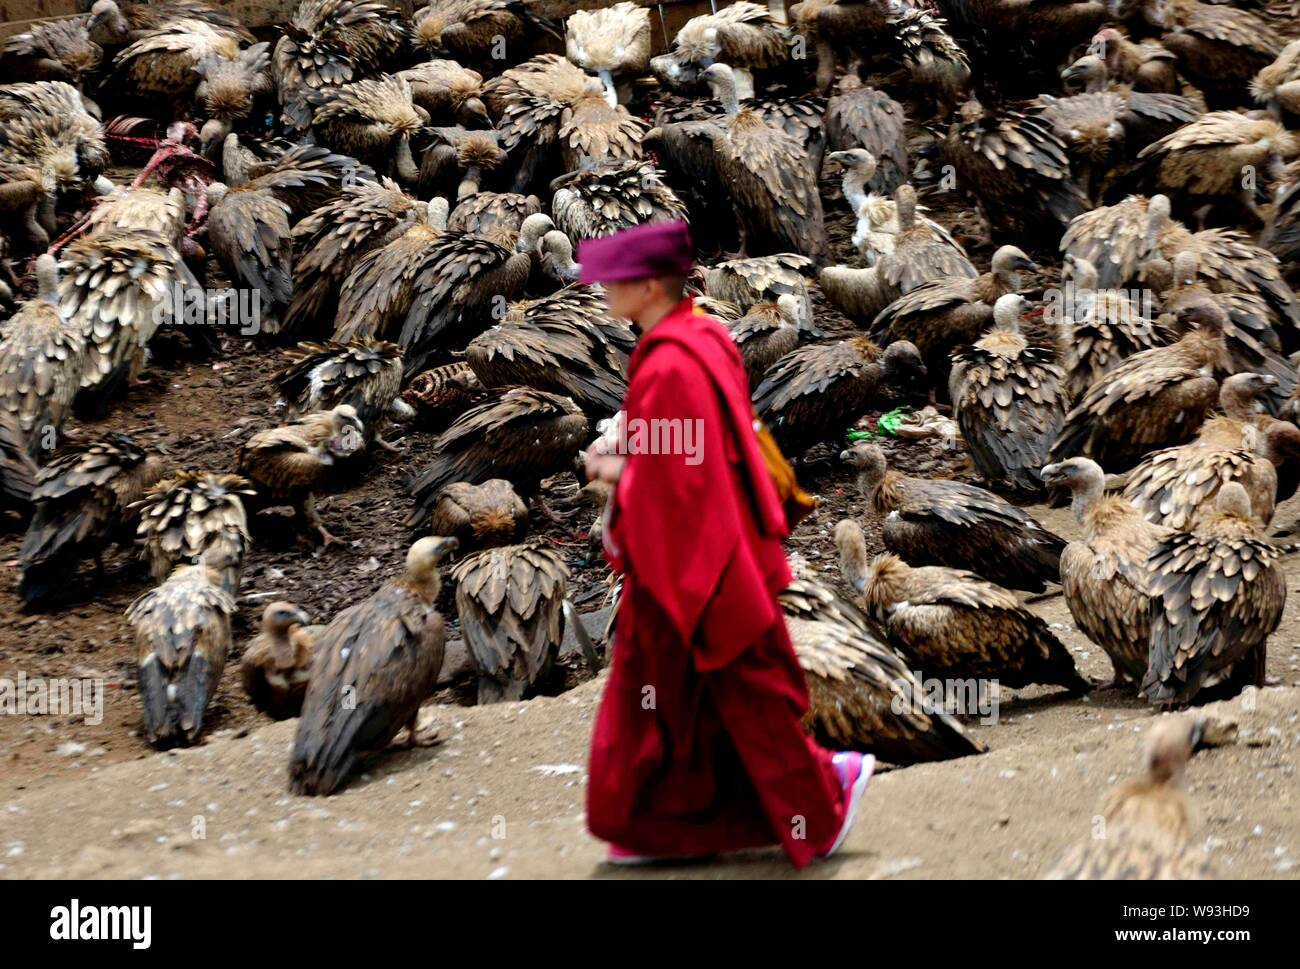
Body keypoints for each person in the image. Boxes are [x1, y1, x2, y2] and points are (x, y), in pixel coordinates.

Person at [580, 220, 873, 868]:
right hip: (726, 547)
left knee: (740, 693)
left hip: (699, 565)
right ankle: (661, 827)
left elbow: (681, 488)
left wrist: (616, 473)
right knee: (678, 699)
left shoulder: (666, 365)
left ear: (650, 284)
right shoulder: (702, 335)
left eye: (611, 277)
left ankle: (823, 801)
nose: (599, 287)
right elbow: (697, 448)